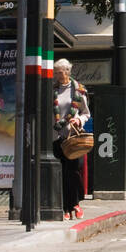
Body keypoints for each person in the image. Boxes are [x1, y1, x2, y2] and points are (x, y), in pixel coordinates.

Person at [52, 58, 90, 220]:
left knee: (74, 171)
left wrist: (78, 120)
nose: (58, 76)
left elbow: (86, 113)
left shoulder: (79, 90)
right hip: (56, 137)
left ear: (67, 72)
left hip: (73, 137)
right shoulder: (51, 89)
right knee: (61, 173)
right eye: (56, 73)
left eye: (60, 72)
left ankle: (75, 203)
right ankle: (66, 208)